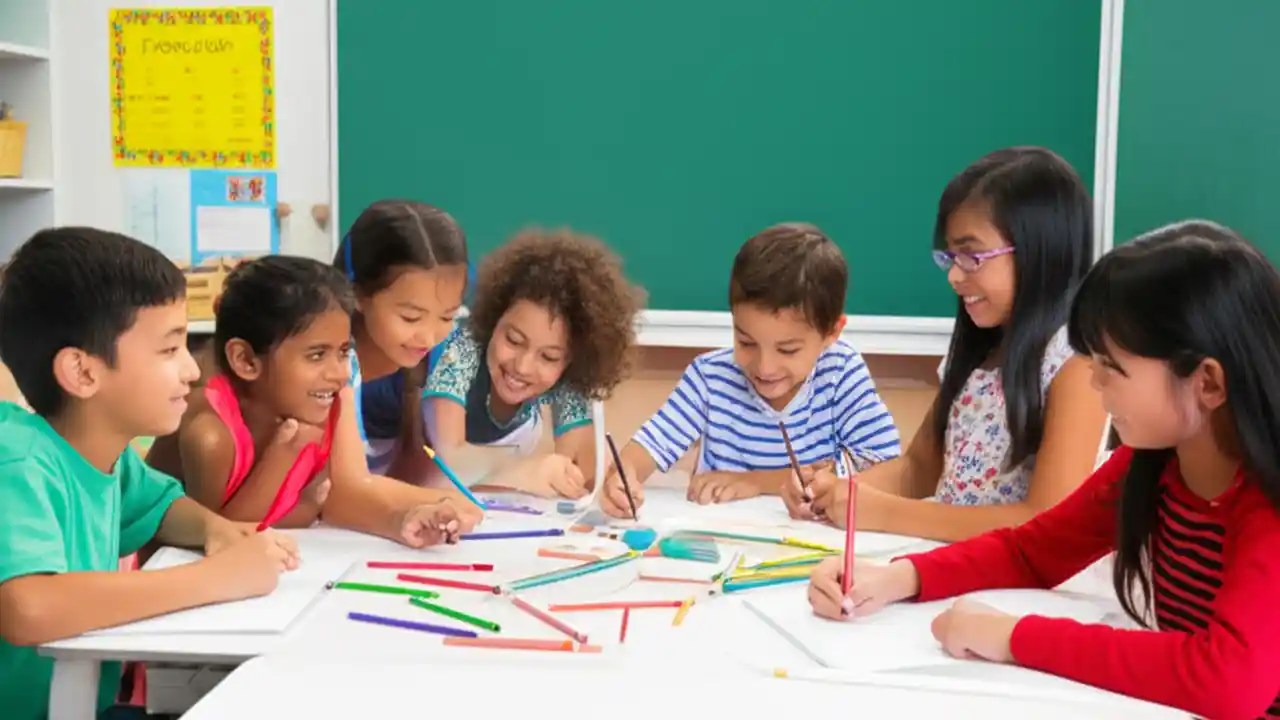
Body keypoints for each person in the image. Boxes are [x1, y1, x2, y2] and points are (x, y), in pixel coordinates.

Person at [808, 221, 1280, 720]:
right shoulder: (1152, 465)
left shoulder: (1266, 500)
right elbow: (1032, 551)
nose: (1094, 380)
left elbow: (1228, 680)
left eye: (1111, 366)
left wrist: (1014, 636)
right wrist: (900, 577)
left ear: (1206, 382)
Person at [0, 228, 300, 720]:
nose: (191, 371)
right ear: (82, 373)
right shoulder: (19, 459)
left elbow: (162, 506)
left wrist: (218, 532)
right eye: (169, 350)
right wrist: (217, 578)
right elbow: (28, 607)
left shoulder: (102, 455)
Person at [785, 147, 1107, 541]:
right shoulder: (979, 351)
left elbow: (1047, 523)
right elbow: (919, 468)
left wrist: (884, 513)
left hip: (1013, 590)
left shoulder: (1076, 363)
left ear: (1040, 251)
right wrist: (837, 488)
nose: (954, 276)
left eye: (972, 256)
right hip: (951, 564)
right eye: (951, 256)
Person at [147, 255, 476, 540]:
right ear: (246, 361)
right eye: (317, 355)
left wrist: (404, 520)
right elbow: (221, 537)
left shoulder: (322, 405)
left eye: (344, 352)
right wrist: (283, 457)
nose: (340, 374)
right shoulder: (210, 434)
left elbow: (324, 505)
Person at [602, 222, 900, 517]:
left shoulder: (840, 373)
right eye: (746, 342)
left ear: (832, 333)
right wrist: (623, 475)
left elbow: (883, 464)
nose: (764, 367)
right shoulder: (710, 378)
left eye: (787, 350)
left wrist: (756, 482)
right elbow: (650, 446)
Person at [424, 228, 644, 497]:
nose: (523, 366)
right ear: (493, 320)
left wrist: (610, 485)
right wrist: (525, 469)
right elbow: (446, 462)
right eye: (514, 340)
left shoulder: (567, 379)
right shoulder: (461, 348)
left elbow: (582, 471)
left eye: (549, 357)